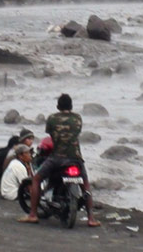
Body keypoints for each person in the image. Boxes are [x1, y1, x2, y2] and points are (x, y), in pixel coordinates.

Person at [18, 93, 100, 227]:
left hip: (57, 158)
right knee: (85, 184)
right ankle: (91, 218)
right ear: (71, 106)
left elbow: (51, 135)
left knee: (37, 179)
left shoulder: (52, 118)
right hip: (75, 158)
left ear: (58, 106)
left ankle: (33, 214)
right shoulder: (78, 118)